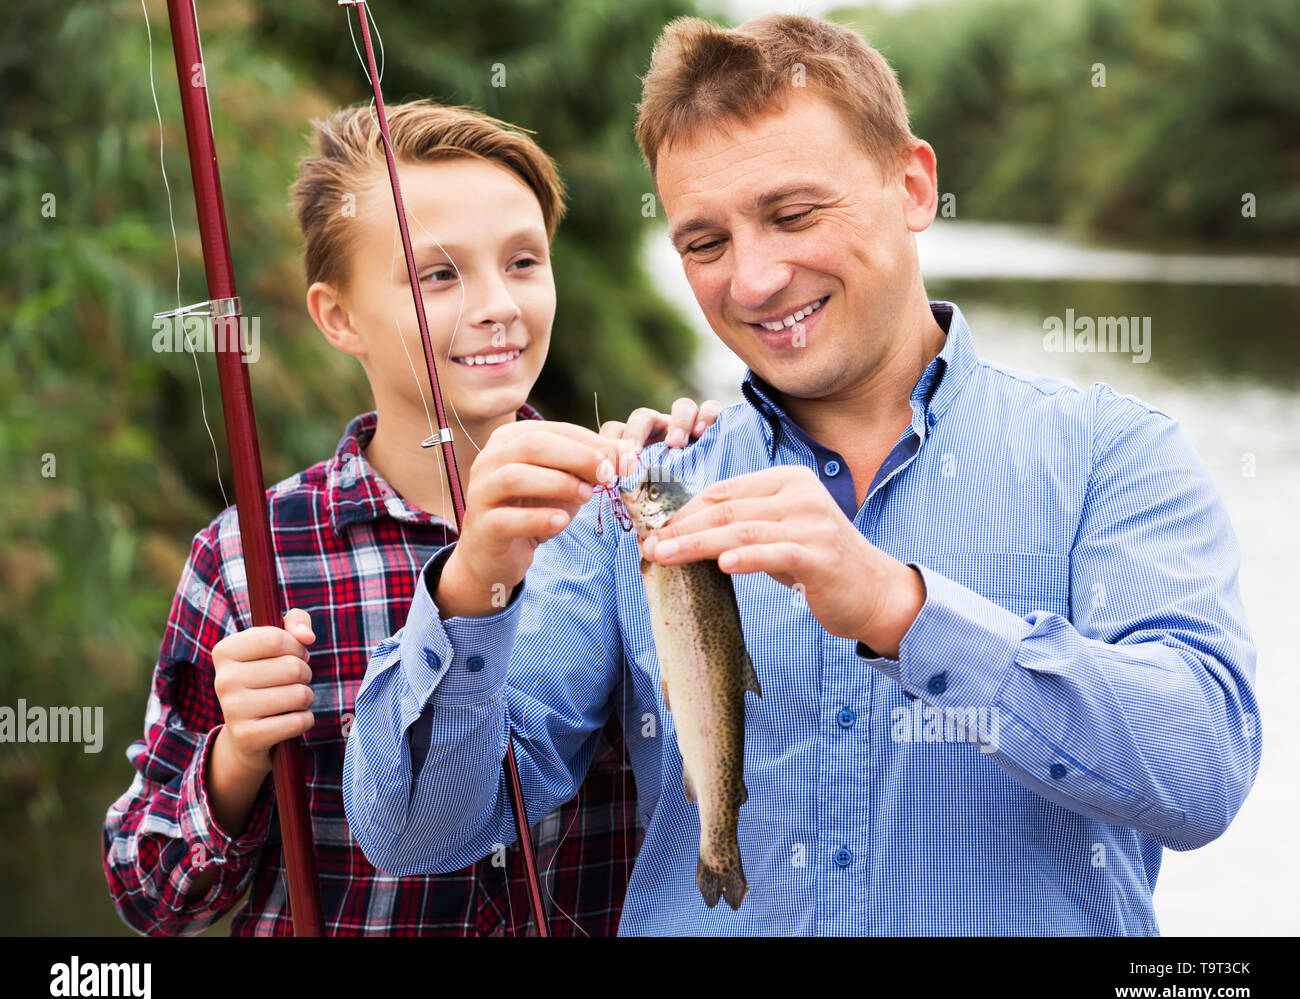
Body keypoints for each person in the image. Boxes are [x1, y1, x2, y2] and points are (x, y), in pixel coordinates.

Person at [343, 15, 1261, 935]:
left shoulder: (1112, 454)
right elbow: (413, 833)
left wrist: (900, 610)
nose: (753, 280)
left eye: (792, 214)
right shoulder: (643, 493)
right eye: (705, 244)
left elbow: (1203, 773)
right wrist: (470, 591)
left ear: (912, 185)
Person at [102, 99, 720, 936]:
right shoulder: (252, 557)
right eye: (438, 274)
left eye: (524, 262)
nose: (498, 303)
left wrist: (716, 459)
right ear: (338, 317)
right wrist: (235, 758)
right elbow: (150, 895)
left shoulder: (631, 511)